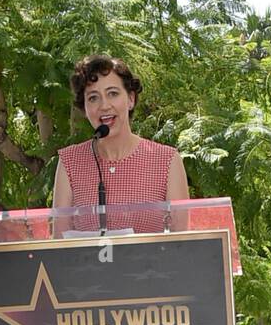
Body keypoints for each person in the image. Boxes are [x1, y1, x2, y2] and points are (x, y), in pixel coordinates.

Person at [52, 55, 189, 235]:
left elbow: (182, 244)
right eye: (93, 98)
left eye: (113, 94)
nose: (104, 105)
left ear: (131, 99)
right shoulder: (69, 162)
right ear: (84, 107)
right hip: (87, 264)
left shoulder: (167, 160)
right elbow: (60, 244)